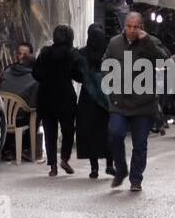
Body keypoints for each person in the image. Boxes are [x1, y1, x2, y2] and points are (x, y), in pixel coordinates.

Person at [103, 11, 169, 191]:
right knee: (115, 134)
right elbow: (105, 64)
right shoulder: (115, 43)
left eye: (135, 27)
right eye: (128, 26)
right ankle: (121, 169)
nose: (131, 30)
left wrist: (146, 41)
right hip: (119, 102)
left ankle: (136, 179)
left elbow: (163, 61)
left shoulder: (151, 42)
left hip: (143, 104)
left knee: (140, 144)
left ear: (141, 27)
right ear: (124, 26)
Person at [32, 25, 82, 177]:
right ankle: (65, 158)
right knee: (68, 130)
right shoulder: (71, 54)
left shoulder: (45, 52)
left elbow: (36, 74)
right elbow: (78, 76)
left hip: (46, 97)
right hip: (65, 96)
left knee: (49, 132)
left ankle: (52, 166)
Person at [76, 24, 114, 179]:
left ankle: (94, 169)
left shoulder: (81, 54)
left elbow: (76, 74)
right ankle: (110, 164)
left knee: (90, 131)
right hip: (107, 98)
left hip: (88, 98)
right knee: (108, 131)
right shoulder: (108, 53)